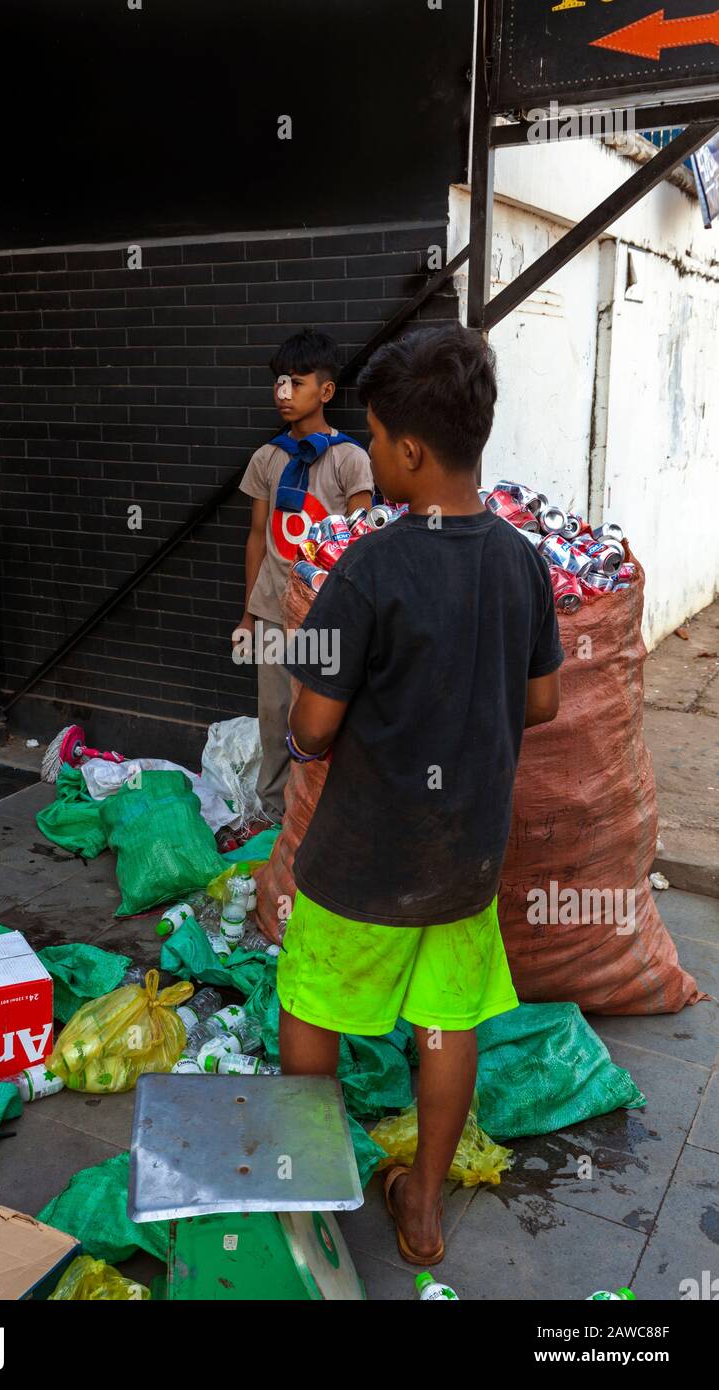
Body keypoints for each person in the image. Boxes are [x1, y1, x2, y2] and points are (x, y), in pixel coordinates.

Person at [275, 323, 563, 1264]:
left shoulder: (371, 567)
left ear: (407, 449)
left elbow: (313, 726)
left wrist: (307, 726)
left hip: (363, 855)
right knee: (447, 1020)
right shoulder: (520, 561)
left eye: (374, 437)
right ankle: (425, 1209)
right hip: (466, 856)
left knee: (314, 1008)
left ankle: (313, 1206)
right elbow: (545, 700)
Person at [234, 329, 373, 825]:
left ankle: (322, 815)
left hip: (326, 617)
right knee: (274, 717)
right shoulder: (267, 458)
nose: (283, 394)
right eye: (278, 384)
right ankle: (273, 816)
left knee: (323, 717)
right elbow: (256, 537)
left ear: (327, 391)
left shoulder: (350, 460)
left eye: (296, 382)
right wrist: (249, 616)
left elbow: (361, 542)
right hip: (273, 611)